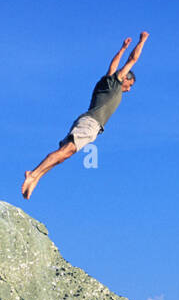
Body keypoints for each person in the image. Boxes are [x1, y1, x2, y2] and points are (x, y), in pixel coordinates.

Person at [21, 31, 149, 200]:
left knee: (63, 155)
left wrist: (122, 48)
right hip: (90, 123)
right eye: (129, 84)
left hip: (88, 123)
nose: (129, 89)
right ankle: (34, 174)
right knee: (65, 152)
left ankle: (36, 176)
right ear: (124, 77)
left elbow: (112, 65)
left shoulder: (108, 82)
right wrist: (142, 40)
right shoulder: (114, 84)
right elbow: (132, 60)